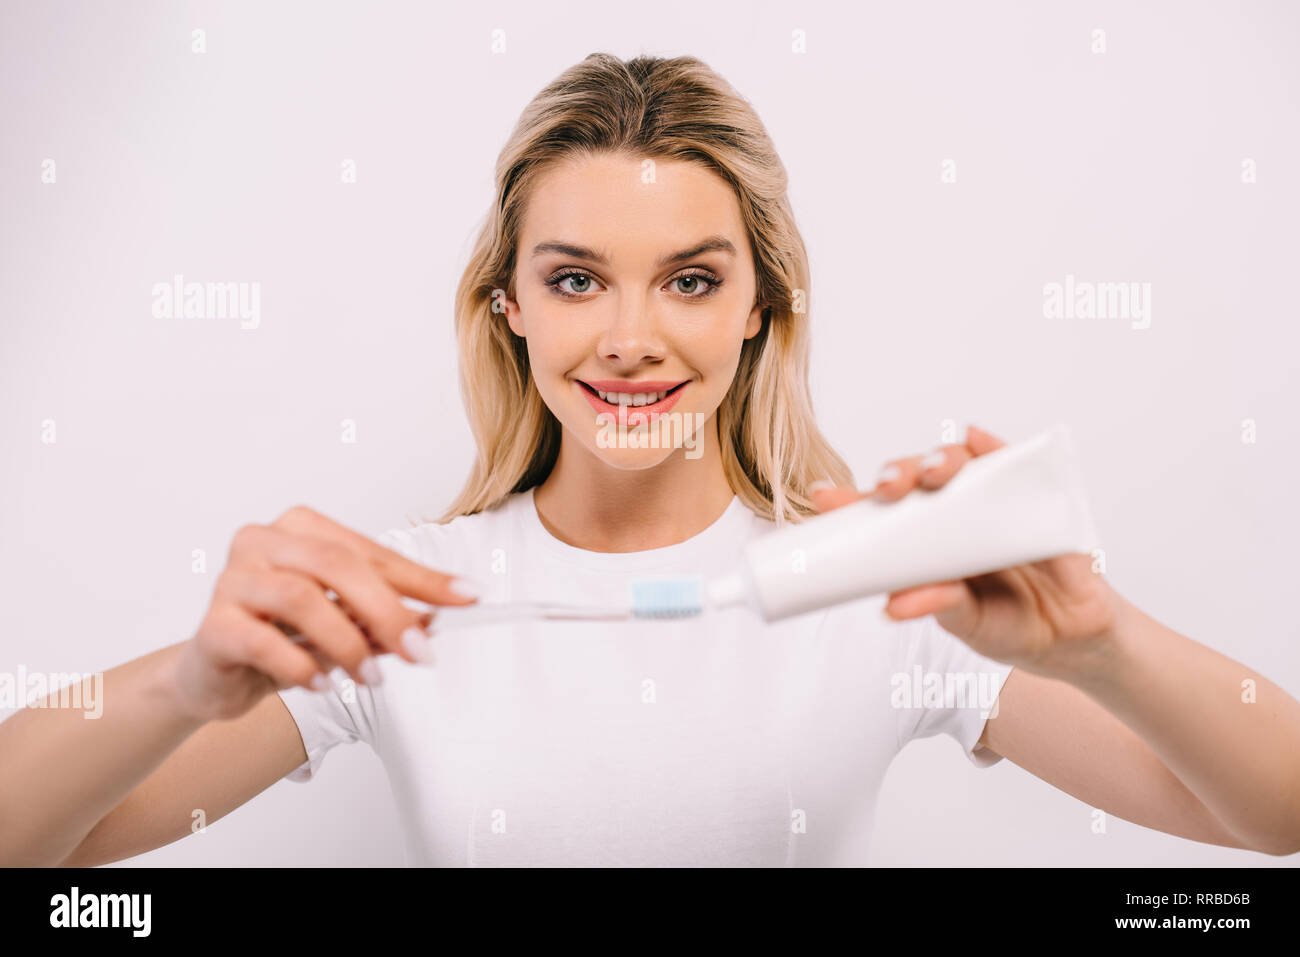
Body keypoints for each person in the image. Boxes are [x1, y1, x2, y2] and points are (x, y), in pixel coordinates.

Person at [3, 53, 1298, 867]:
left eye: (690, 279)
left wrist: (1105, 646)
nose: (631, 339)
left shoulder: (884, 594)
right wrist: (186, 680)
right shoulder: (401, 600)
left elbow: (1275, 818)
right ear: (511, 306)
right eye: (576, 279)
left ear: (759, 305)